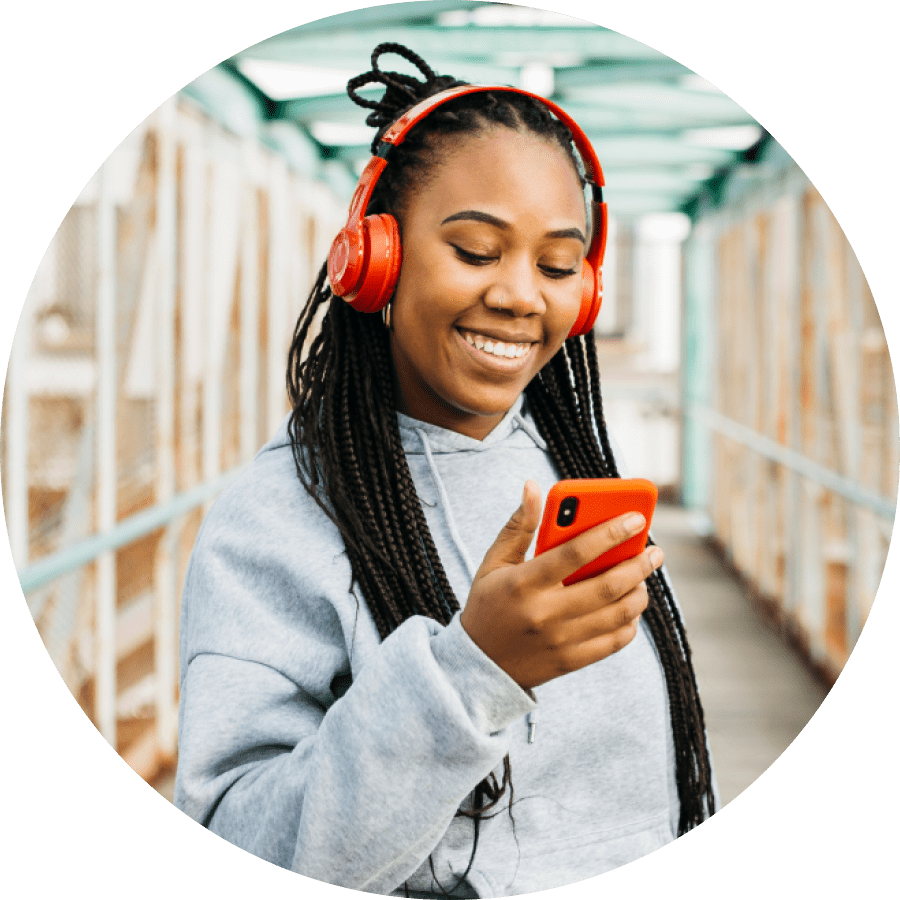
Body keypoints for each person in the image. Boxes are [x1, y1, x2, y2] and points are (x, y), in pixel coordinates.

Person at [175, 44, 716, 897]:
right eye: (474, 250)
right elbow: (239, 845)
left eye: (557, 265)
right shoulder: (275, 517)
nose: (520, 296)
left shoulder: (568, 470)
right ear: (373, 259)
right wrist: (474, 672)